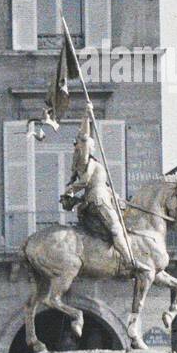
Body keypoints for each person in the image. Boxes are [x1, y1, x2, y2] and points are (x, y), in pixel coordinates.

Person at [59, 112, 147, 276]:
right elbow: (84, 139)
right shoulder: (86, 162)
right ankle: (129, 261)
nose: (92, 148)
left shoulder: (86, 162)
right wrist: (86, 115)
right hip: (98, 199)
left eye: (91, 146)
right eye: (91, 146)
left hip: (102, 197)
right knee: (116, 229)